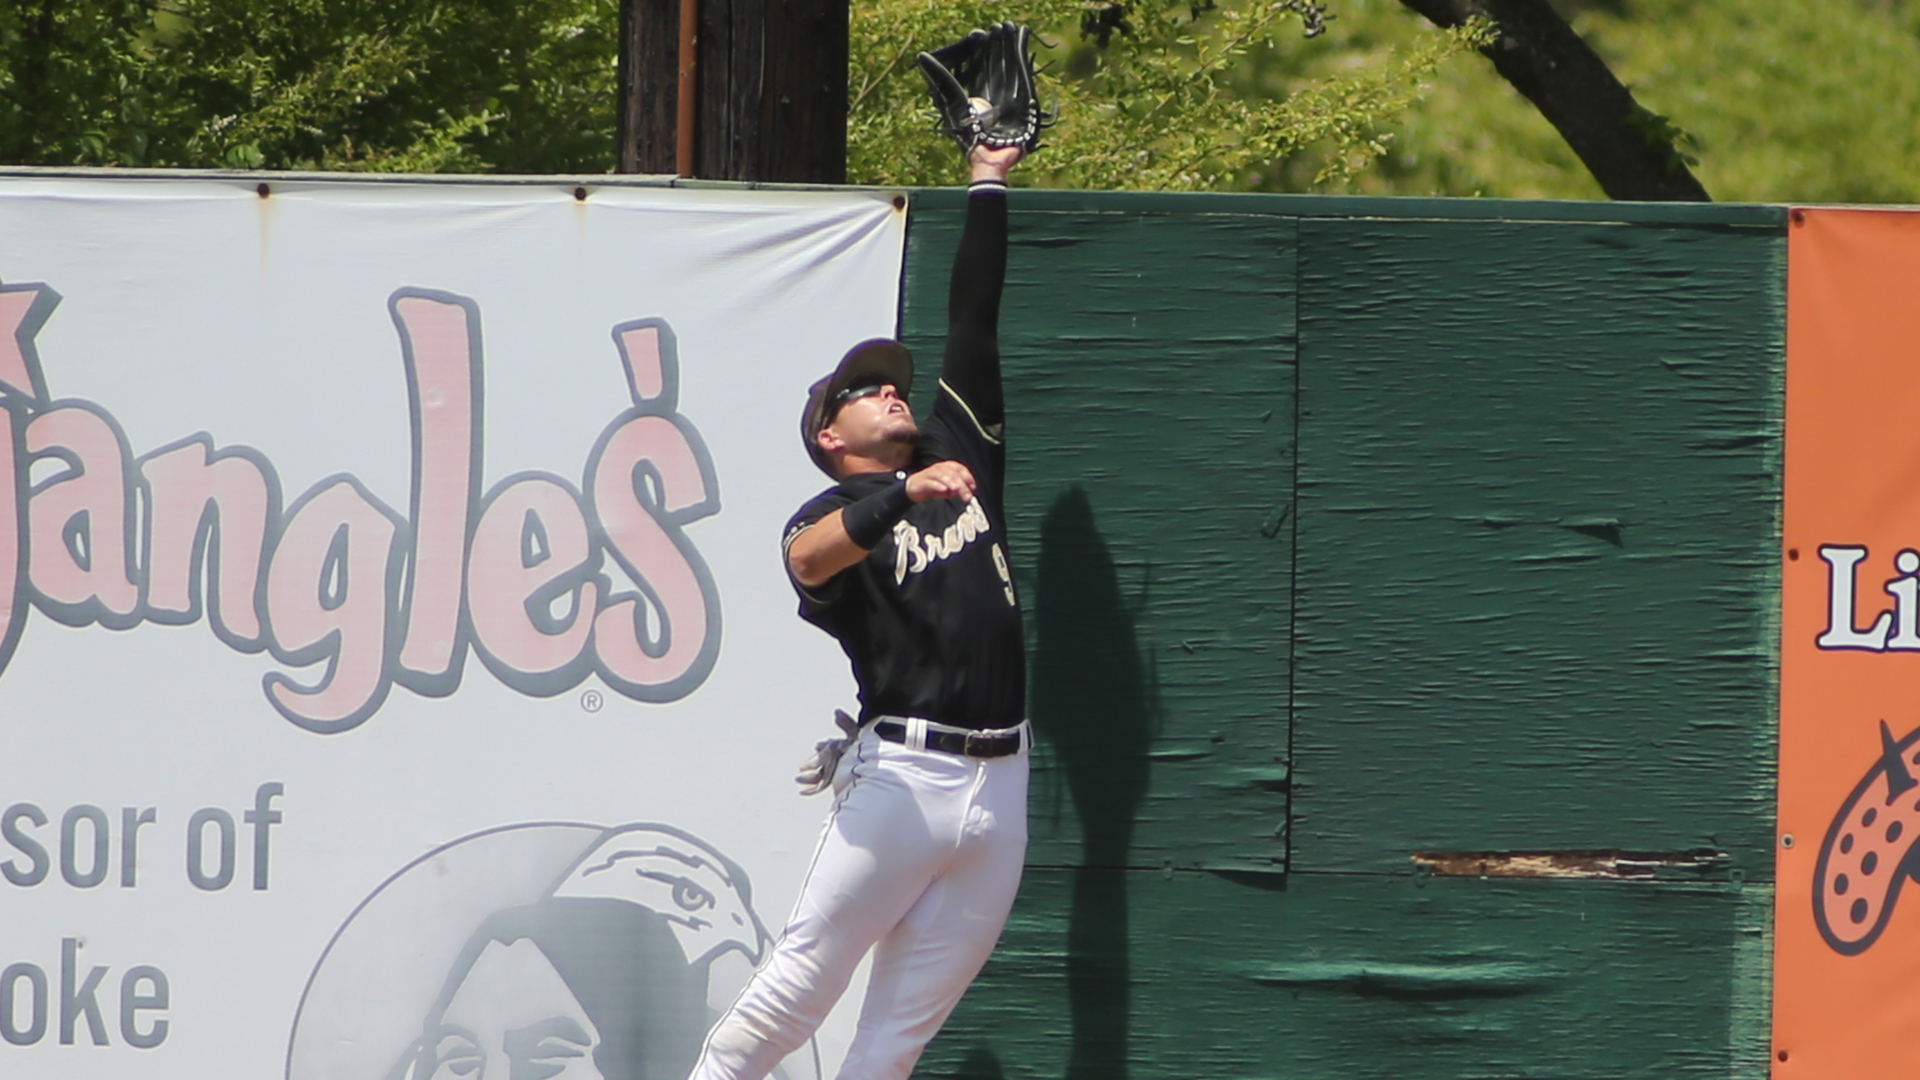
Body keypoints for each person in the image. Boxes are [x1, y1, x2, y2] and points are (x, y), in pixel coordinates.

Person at [688, 142, 1030, 1080]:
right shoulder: (830, 513)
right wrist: (904, 494)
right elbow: (807, 561)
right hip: (904, 780)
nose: (890, 389)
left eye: (892, 384)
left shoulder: (962, 455)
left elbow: (975, 318)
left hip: (1003, 788)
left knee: (893, 1045)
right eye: (862, 391)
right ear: (829, 436)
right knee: (794, 997)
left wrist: (988, 176)